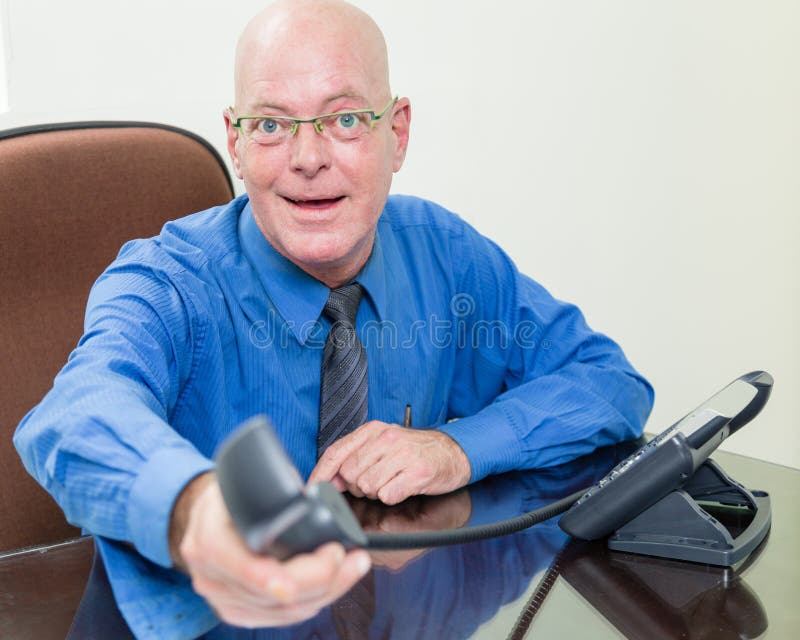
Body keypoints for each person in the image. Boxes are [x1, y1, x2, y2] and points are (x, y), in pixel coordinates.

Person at [13, 0, 654, 638]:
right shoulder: (169, 280)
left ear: (396, 134)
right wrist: (195, 510)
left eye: (344, 119)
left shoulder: (447, 257)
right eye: (271, 124)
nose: (308, 158)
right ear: (235, 141)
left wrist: (458, 448)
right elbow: (74, 413)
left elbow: (608, 382)